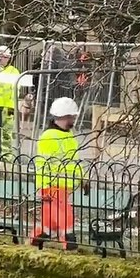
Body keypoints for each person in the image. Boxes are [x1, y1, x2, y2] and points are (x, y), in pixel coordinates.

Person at [32, 97, 88, 251]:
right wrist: (43, 186)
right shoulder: (48, 137)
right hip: (54, 184)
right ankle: (69, 240)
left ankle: (40, 235)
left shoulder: (69, 135)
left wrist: (84, 178)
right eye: (71, 117)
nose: (73, 120)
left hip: (65, 184)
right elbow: (42, 163)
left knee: (51, 215)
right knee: (64, 212)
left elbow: (74, 160)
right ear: (62, 117)